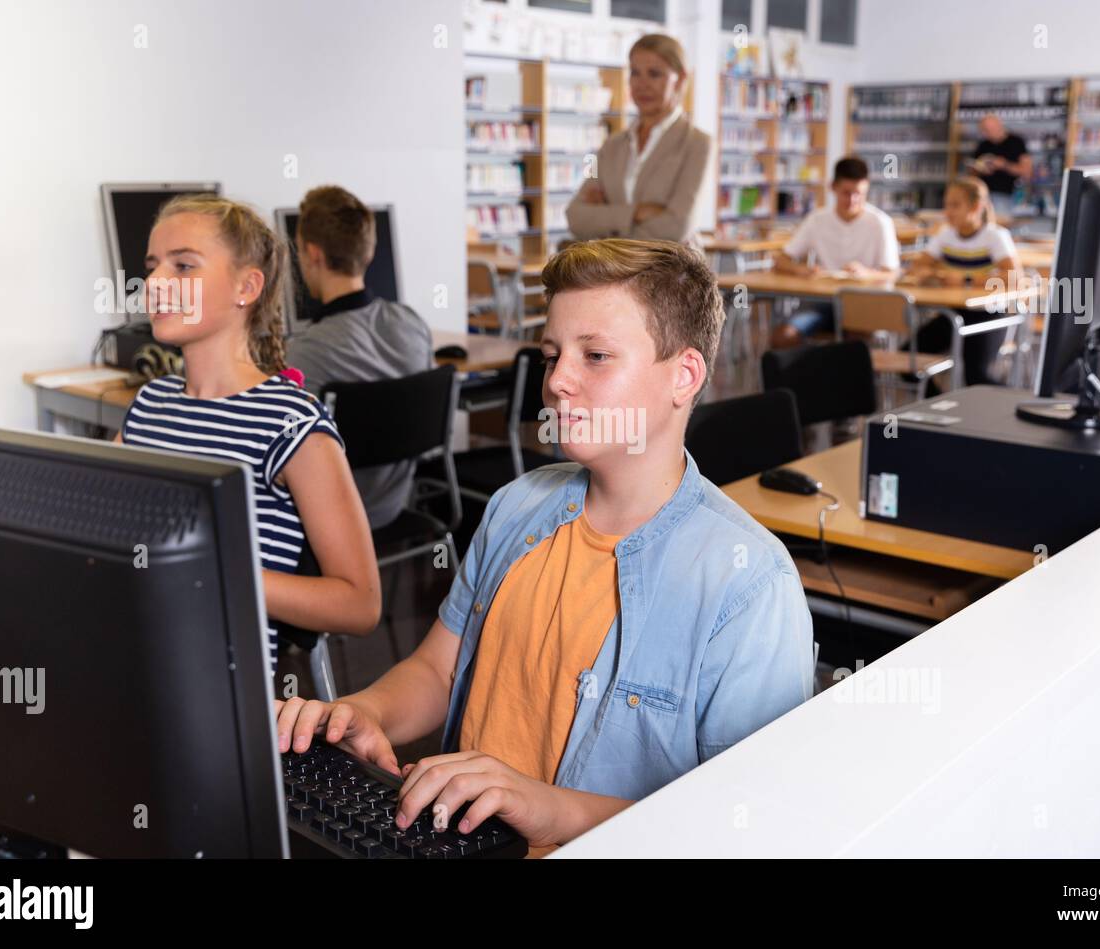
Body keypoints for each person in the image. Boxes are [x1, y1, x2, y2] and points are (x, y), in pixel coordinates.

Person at [274, 239, 815, 855]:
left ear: (684, 376)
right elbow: (438, 668)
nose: (557, 381)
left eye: (597, 356)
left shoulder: (747, 586)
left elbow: (744, 826)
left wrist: (544, 809)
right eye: (552, 354)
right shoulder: (516, 506)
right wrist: (365, 712)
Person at [119, 195, 382, 675]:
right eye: (152, 266)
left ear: (246, 286)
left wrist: (219, 575)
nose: (154, 283)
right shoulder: (148, 406)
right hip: (132, 653)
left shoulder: (290, 421)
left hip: (213, 679)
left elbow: (360, 604)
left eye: (182, 266)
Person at [284, 185, 434, 530]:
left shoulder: (306, 351)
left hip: (332, 526)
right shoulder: (412, 324)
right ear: (368, 250)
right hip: (395, 508)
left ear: (312, 253)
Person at [565, 34, 713, 251]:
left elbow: (676, 226)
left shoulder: (698, 144)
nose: (642, 84)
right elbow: (576, 215)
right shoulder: (611, 146)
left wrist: (608, 217)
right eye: (635, 73)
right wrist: (636, 212)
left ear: (680, 79)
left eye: (654, 74)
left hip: (673, 273)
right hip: (616, 273)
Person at [907, 176, 1022, 387]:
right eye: (946, 205)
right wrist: (931, 274)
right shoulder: (945, 235)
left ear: (976, 206)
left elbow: (1014, 276)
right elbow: (919, 267)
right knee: (908, 361)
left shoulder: (995, 236)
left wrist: (966, 279)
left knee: (976, 376)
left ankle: (1000, 409)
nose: (947, 212)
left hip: (989, 315)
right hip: (953, 314)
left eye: (955, 205)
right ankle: (938, 407)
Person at [771, 156, 901, 341]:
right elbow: (781, 260)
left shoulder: (881, 223)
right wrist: (803, 270)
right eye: (846, 193)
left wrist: (867, 274)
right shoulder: (817, 219)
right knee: (784, 337)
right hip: (823, 302)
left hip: (865, 303)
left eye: (859, 194)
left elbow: (893, 273)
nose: (853, 200)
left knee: (855, 341)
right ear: (833, 187)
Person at [971, 113, 1032, 221]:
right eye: (985, 130)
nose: (988, 133)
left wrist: (1004, 165)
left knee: (1000, 227)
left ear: (1000, 125)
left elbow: (1026, 172)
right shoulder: (983, 145)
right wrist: (981, 169)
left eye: (991, 128)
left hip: (1006, 196)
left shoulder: (1016, 142)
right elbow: (973, 174)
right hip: (983, 196)